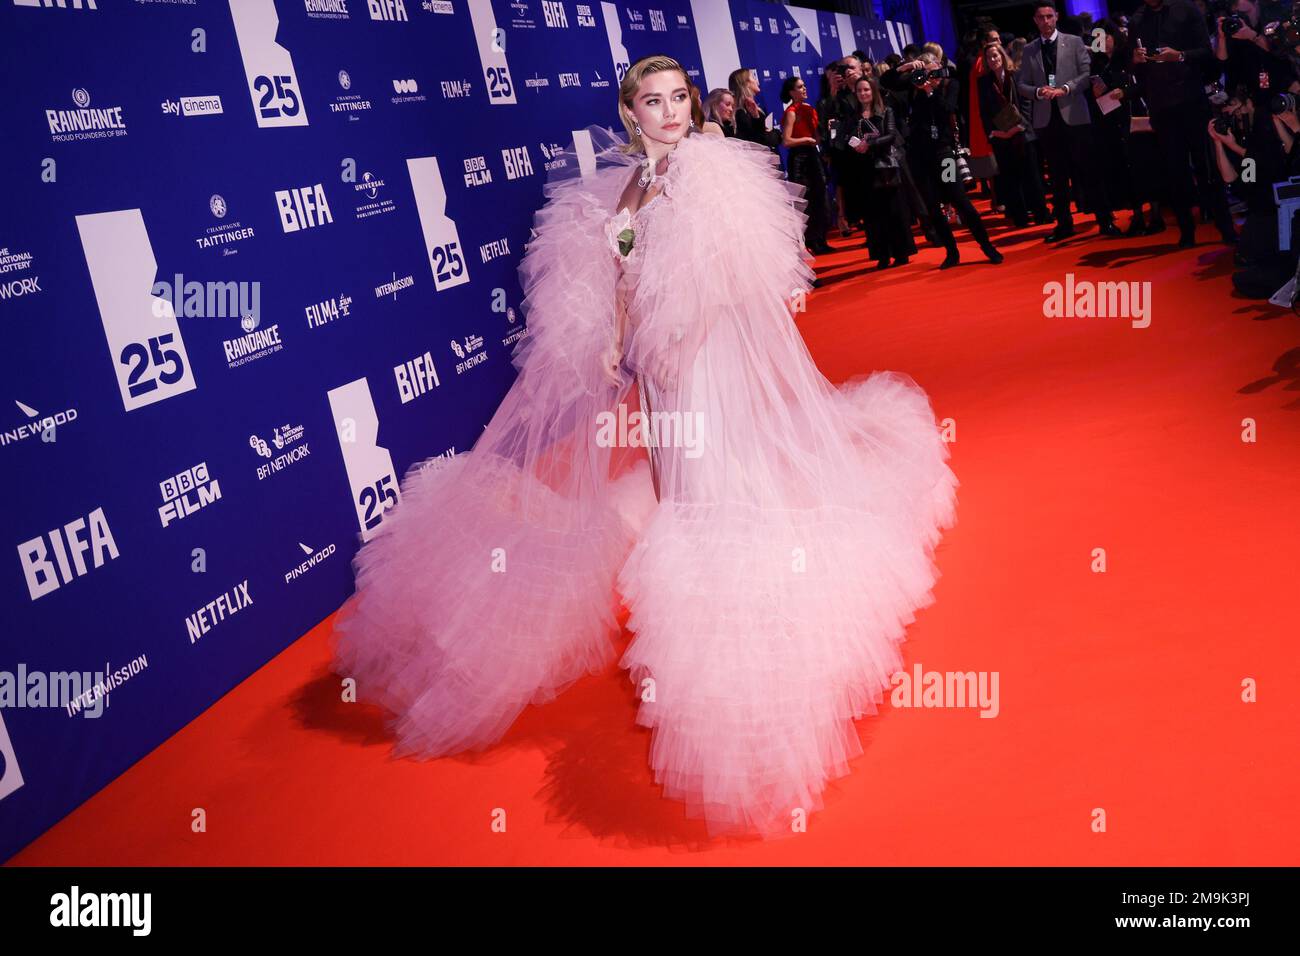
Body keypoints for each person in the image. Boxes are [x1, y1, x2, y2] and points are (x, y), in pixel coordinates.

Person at [329, 54, 958, 840]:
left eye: (678, 98)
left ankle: (745, 647)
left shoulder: (710, 175)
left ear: (693, 103)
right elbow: (623, 276)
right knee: (677, 482)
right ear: (630, 113)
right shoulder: (630, 187)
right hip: (656, 368)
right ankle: (711, 609)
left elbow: (736, 274)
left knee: (710, 483)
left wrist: (680, 338)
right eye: (652, 102)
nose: (668, 112)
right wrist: (616, 342)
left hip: (703, 361)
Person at [1129, 0, 1238, 246]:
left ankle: (1225, 227)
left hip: (1192, 101)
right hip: (1161, 107)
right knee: (1175, 172)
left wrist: (1179, 56)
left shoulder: (1186, 10)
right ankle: (1186, 231)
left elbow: (1206, 53)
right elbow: (1134, 70)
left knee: (1206, 167)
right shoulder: (1137, 20)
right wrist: (1135, 59)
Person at [882, 52, 1005, 268]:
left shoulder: (950, 85)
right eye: (926, 72)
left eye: (933, 71)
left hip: (944, 155)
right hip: (920, 159)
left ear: (939, 66)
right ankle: (951, 252)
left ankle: (987, 246)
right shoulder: (913, 86)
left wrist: (930, 91)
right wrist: (905, 68)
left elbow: (947, 109)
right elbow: (885, 81)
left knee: (960, 200)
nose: (930, 77)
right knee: (932, 206)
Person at [1019, 1, 1122, 242]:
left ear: (1056, 17)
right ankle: (1064, 224)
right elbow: (1022, 84)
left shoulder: (1074, 42)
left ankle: (1105, 220)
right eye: (1041, 17)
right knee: (1057, 176)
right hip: (1046, 120)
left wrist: (1065, 88)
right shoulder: (1029, 50)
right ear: (1035, 20)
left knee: (1090, 170)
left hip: (1075, 115)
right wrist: (1038, 92)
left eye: (1049, 16)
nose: (1045, 21)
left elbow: (1086, 75)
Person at [833, 74, 917, 267]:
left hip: (885, 168)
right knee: (873, 216)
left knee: (894, 212)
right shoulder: (853, 116)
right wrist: (853, 143)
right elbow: (844, 139)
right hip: (864, 171)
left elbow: (891, 135)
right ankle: (882, 255)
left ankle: (901, 252)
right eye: (859, 90)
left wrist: (869, 144)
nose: (863, 93)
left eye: (866, 89)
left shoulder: (886, 111)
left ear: (873, 91)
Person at [977, 42, 1051, 227]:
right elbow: (984, 112)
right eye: (989, 57)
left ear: (1002, 56)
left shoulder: (1016, 75)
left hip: (1023, 133)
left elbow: (1027, 103)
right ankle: (1020, 218)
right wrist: (994, 133)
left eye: (995, 55)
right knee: (1010, 179)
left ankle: (1041, 213)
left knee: (1032, 176)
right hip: (1000, 136)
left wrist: (1020, 126)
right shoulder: (983, 82)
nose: (993, 59)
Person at [781, 74, 834, 254]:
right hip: (799, 160)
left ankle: (822, 239)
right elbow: (786, 141)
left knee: (821, 197)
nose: (804, 89)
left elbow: (816, 138)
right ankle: (812, 240)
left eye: (804, 86)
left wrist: (824, 131)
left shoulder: (810, 109)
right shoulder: (791, 112)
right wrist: (805, 140)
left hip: (813, 156)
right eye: (799, 87)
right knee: (807, 200)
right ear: (791, 92)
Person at [729, 68, 780, 152]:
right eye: (753, 77)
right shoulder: (741, 113)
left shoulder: (756, 109)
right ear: (746, 83)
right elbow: (759, 140)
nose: (757, 81)